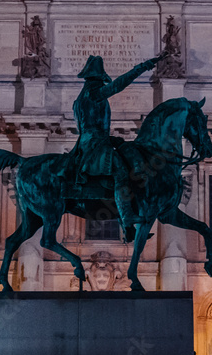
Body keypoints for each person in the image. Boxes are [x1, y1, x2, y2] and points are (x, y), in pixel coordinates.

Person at [69, 53, 162, 240]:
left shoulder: (79, 98)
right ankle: (127, 218)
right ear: (98, 77)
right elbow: (120, 83)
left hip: (92, 141)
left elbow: (86, 126)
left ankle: (128, 228)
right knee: (120, 172)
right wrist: (143, 66)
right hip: (95, 144)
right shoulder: (94, 93)